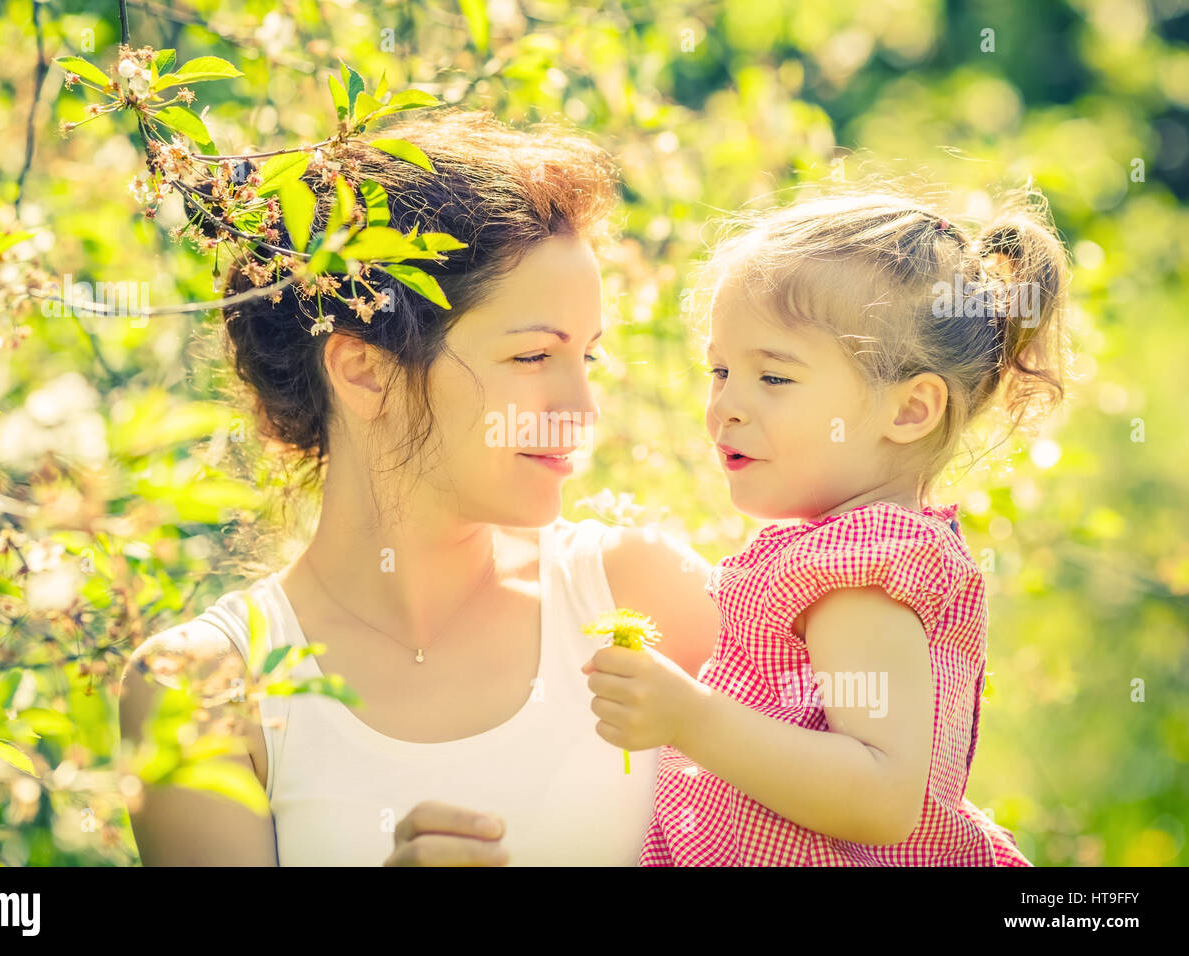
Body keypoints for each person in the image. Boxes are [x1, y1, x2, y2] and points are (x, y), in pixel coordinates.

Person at [120, 110, 721, 866]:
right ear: (364, 370)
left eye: (588, 359)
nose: (582, 411)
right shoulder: (200, 690)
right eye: (534, 357)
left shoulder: (639, 600)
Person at [582, 186, 1070, 865]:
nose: (725, 405)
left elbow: (879, 796)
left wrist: (689, 717)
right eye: (720, 370)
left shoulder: (858, 574)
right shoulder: (827, 552)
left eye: (774, 379)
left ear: (908, 411)